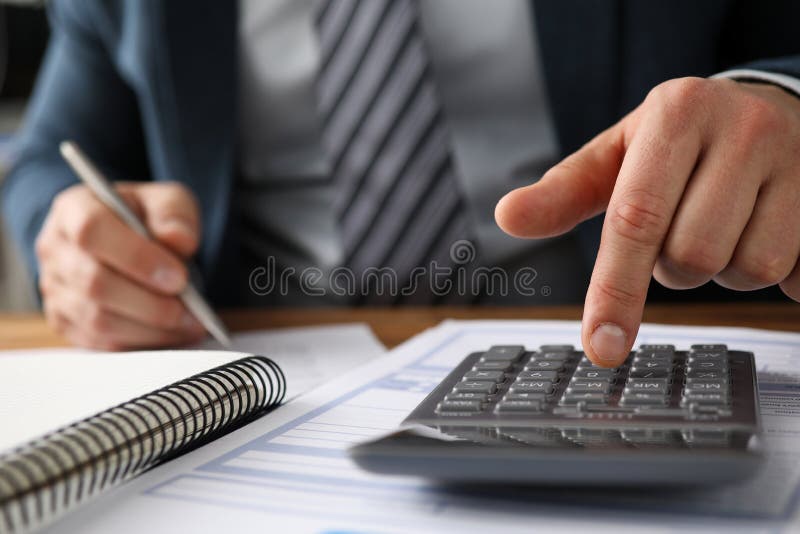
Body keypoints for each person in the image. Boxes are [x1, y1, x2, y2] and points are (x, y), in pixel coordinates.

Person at [3, 0, 800, 367]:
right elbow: (49, 159)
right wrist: (71, 240)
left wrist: (780, 103)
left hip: (617, 355)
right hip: (270, 372)